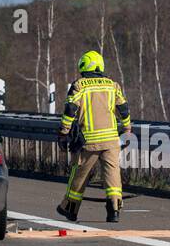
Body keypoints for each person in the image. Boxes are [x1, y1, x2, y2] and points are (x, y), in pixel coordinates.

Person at [56, 50, 131, 223]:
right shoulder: (113, 85)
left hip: (88, 142)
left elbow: (70, 110)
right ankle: (114, 210)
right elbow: (124, 109)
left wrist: (64, 132)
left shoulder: (79, 85)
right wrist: (127, 128)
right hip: (111, 140)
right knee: (112, 174)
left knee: (79, 174)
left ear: (84, 65)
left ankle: (70, 209)